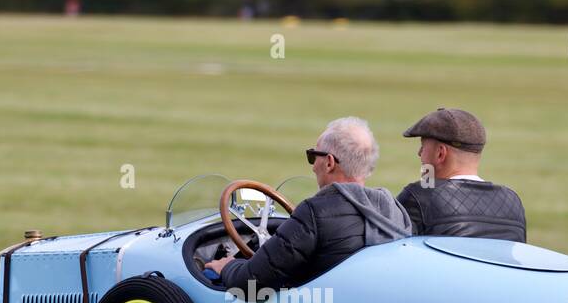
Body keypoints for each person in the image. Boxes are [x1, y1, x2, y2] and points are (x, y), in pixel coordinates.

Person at [206, 117, 411, 290]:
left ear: (329, 162)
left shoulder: (315, 213)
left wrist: (227, 266)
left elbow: (252, 282)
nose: (313, 167)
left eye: (314, 156)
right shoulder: (392, 209)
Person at [396, 108, 527, 242]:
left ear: (440, 153)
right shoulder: (512, 202)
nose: (419, 153)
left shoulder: (418, 197)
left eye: (423, 147)